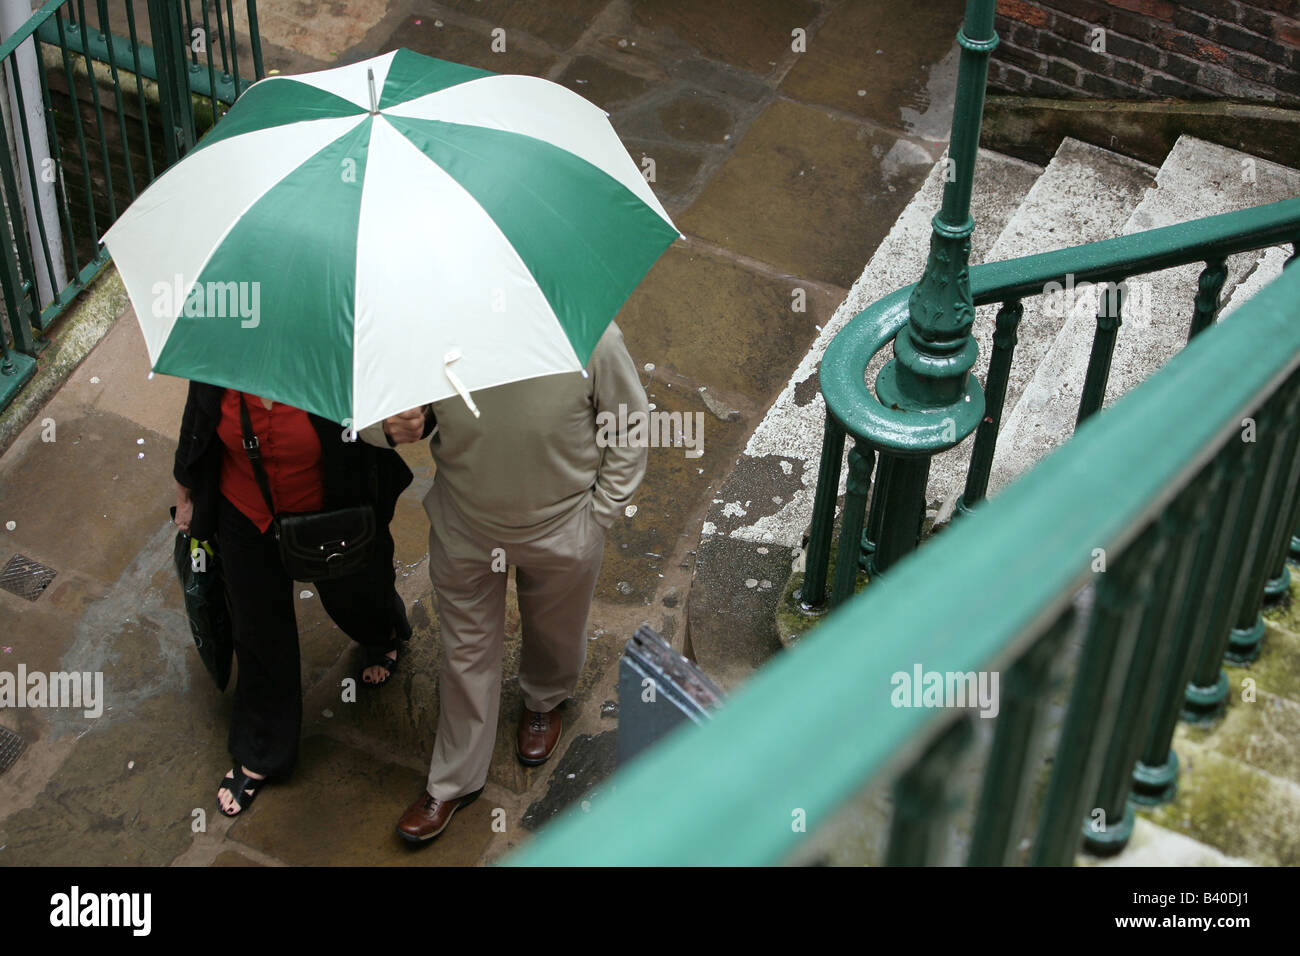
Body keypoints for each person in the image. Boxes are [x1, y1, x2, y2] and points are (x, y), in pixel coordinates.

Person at [367, 321, 648, 843]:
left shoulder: (593, 336)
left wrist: (599, 515)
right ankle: (453, 780)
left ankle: (544, 702)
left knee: (555, 631)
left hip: (563, 525)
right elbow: (367, 414)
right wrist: (389, 427)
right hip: (465, 527)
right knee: (465, 652)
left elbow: (630, 427)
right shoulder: (431, 326)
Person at [172, 383, 430, 816]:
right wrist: (186, 485)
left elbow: (389, 418)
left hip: (331, 507)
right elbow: (199, 413)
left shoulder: (341, 345)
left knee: (357, 595)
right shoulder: (222, 338)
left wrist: (401, 424)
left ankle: (379, 632)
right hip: (244, 511)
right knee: (257, 629)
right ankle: (262, 749)